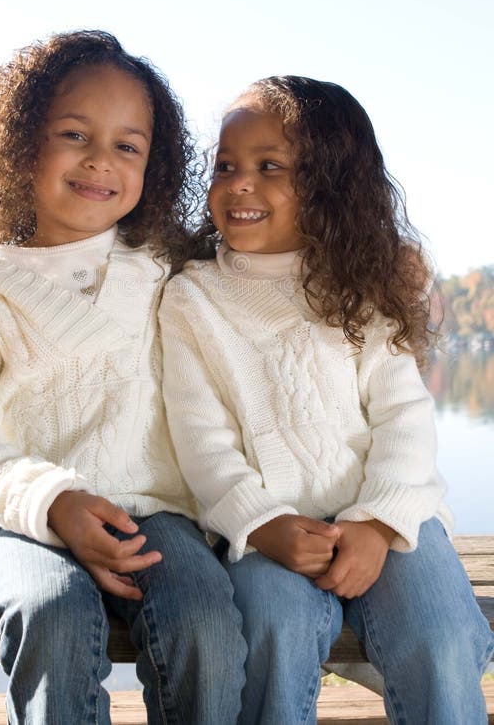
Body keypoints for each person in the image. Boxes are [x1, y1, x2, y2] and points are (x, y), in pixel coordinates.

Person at [0, 30, 246, 725]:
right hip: (23, 521)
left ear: (152, 167)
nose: (101, 160)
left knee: (206, 626)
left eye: (128, 146)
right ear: (19, 143)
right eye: (74, 134)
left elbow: (277, 269)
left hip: (157, 513)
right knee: (53, 614)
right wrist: (55, 504)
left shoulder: (168, 269)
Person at [160, 74, 494, 724]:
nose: (239, 183)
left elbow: (404, 418)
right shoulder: (191, 298)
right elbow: (199, 438)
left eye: (269, 166)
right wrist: (261, 523)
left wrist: (378, 523)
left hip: (391, 519)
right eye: (226, 166)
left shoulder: (361, 286)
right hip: (267, 530)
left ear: (328, 184)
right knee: (273, 633)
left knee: (440, 636)